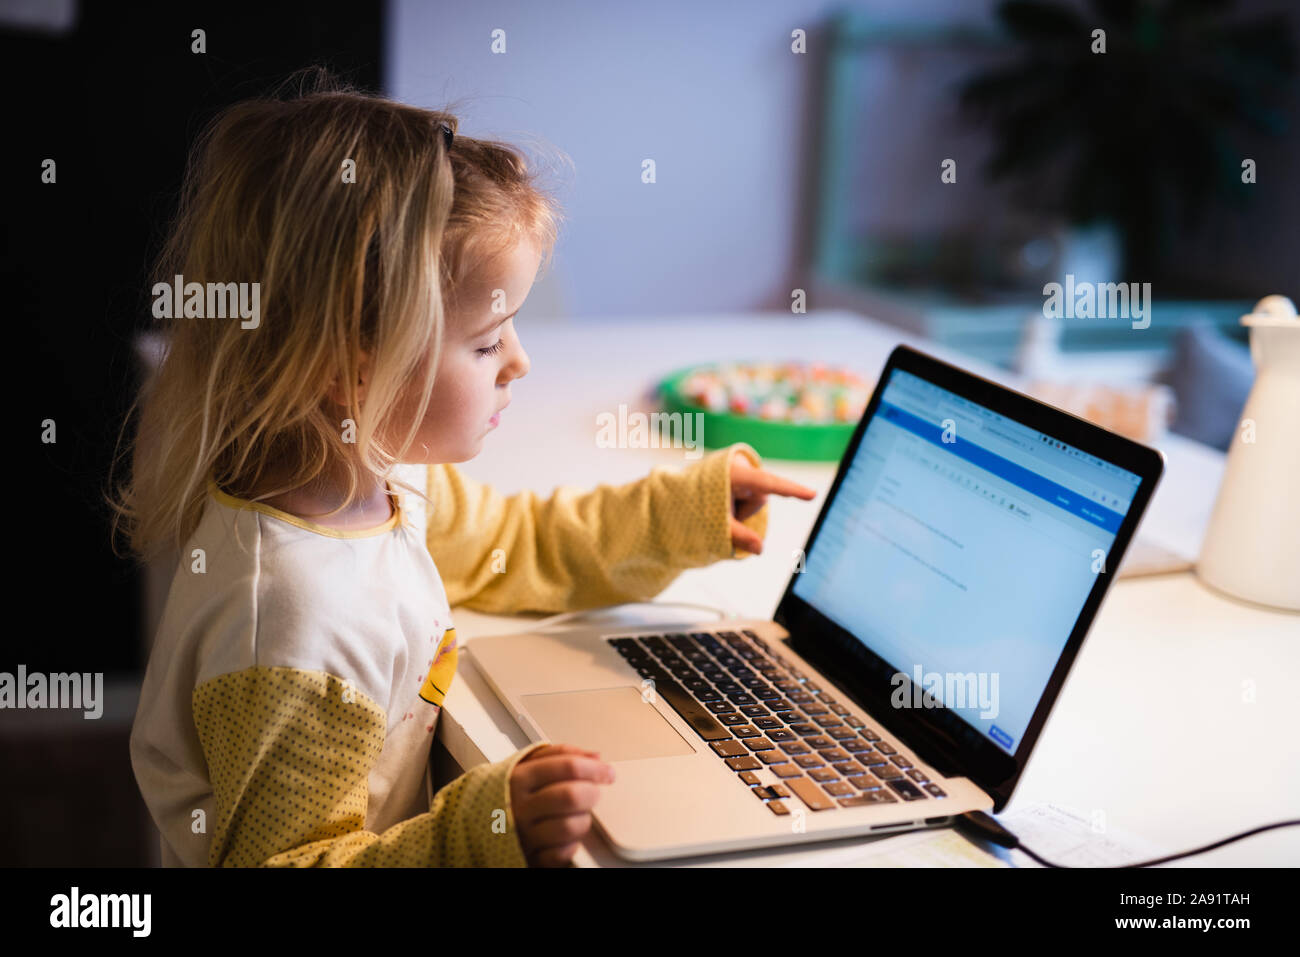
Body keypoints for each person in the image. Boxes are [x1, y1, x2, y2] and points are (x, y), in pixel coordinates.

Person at [112, 68, 816, 868]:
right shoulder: (292, 622)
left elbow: (512, 543)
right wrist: (474, 829)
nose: (519, 362)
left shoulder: (374, 473)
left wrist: (679, 514)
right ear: (354, 368)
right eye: (486, 342)